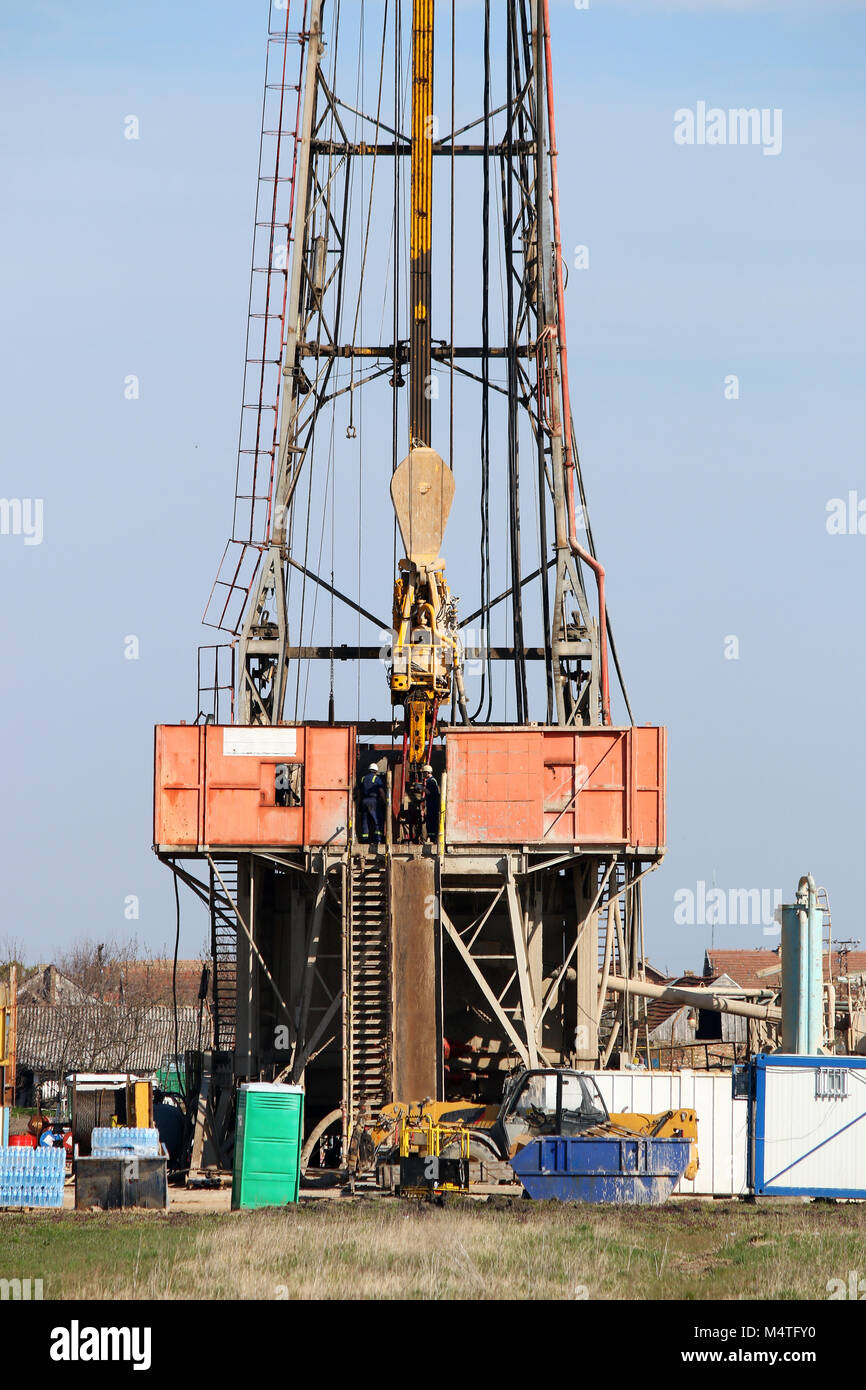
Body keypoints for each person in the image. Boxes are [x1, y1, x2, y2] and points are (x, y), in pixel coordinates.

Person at [359, 762, 386, 845]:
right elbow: (381, 791)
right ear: (376, 771)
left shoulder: (363, 778)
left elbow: (359, 791)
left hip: (364, 801)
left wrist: (360, 802)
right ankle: (377, 840)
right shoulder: (376, 779)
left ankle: (364, 839)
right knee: (377, 820)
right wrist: (385, 801)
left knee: (365, 821)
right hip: (373, 801)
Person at [422, 763, 440, 841]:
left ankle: (432, 838)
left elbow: (429, 792)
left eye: (423, 773)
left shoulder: (431, 781)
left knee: (431, 822)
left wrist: (420, 787)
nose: (423, 774)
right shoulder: (432, 781)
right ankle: (432, 837)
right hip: (432, 805)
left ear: (427, 772)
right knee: (431, 821)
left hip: (432, 806)